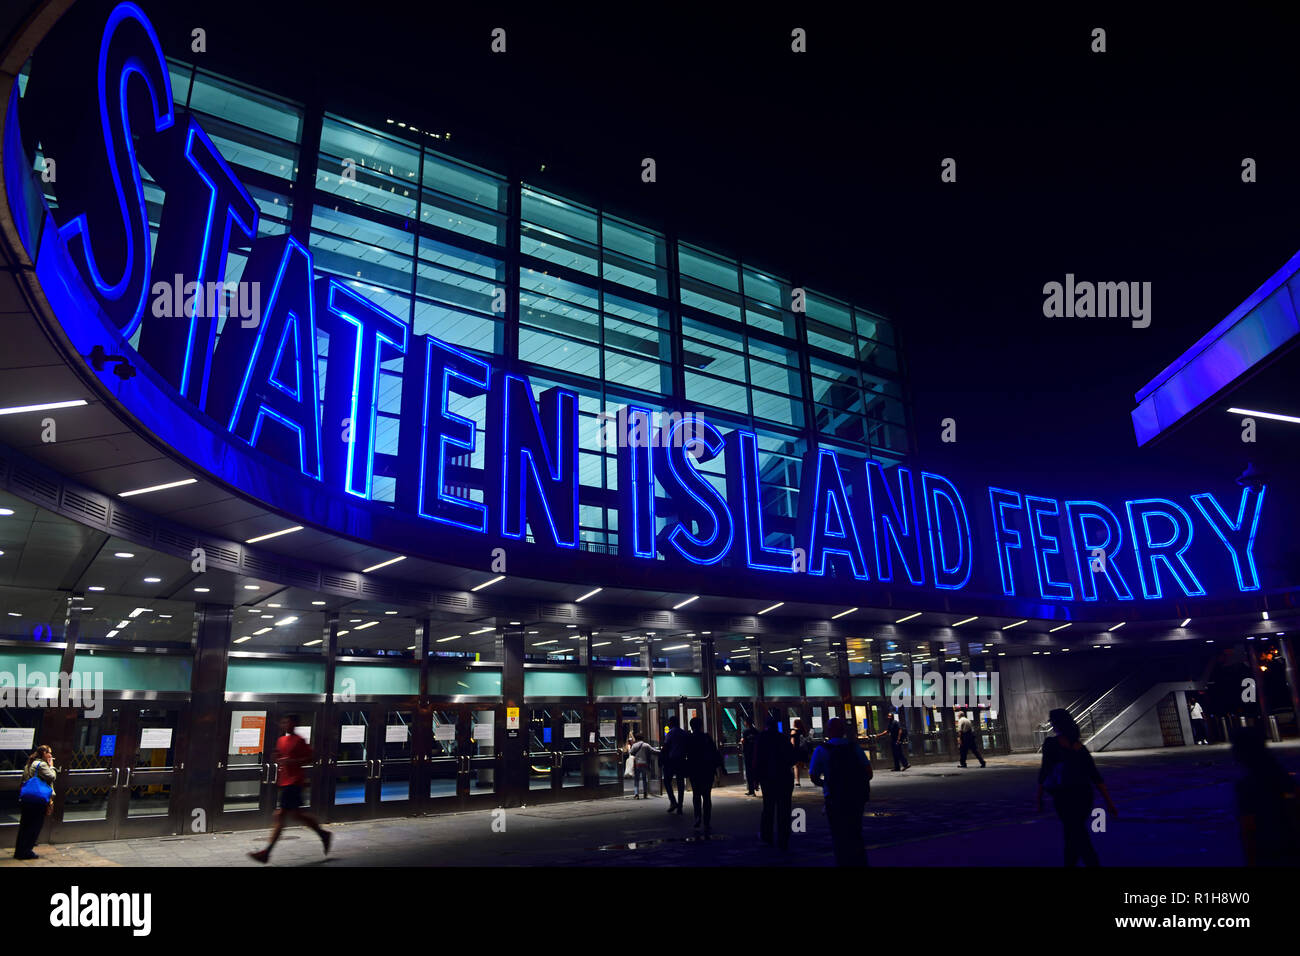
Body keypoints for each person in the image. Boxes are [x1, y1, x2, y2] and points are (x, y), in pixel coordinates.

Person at [1036, 708, 1116, 867]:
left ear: (1055, 724)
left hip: (1064, 796)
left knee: (1076, 834)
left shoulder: (1051, 744)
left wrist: (1039, 797)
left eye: (1051, 721)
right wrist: (1109, 802)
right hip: (1084, 796)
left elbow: (1045, 771)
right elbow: (1095, 776)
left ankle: (1092, 863)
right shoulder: (1079, 747)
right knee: (1072, 833)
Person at [249, 716, 332, 863]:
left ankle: (266, 853)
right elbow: (280, 757)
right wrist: (277, 758)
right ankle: (323, 834)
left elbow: (310, 758)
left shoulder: (299, 740)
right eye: (282, 722)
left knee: (280, 816)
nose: (283, 724)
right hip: (285, 781)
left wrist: (292, 761)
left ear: (294, 724)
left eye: (286, 721)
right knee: (297, 815)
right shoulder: (281, 740)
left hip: (294, 781)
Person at [1231, 724, 1300, 866]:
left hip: (1268, 849)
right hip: (1290, 844)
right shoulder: (1280, 773)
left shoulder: (1248, 785)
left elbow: (1249, 828)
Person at [810, 718, 872, 866]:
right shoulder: (854, 748)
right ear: (843, 731)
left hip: (834, 799)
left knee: (838, 836)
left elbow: (813, 775)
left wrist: (826, 784)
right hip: (855, 798)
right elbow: (869, 773)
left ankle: (843, 862)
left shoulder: (821, 750)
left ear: (829, 731)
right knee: (856, 833)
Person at [753, 716, 796, 848]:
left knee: (768, 807)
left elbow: (757, 759)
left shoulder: (761, 738)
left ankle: (767, 835)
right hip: (784, 777)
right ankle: (784, 837)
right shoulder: (782, 738)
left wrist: (756, 779)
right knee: (784, 808)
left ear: (766, 725)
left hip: (768, 778)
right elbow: (792, 757)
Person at [14, 744, 56, 859]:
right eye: (49, 753)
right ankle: (27, 851)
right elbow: (52, 777)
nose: (51, 755)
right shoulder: (41, 764)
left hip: (27, 798)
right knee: (34, 826)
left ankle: (19, 851)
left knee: (24, 826)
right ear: (43, 753)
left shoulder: (29, 763)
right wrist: (51, 766)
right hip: (37, 800)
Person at [684, 716, 723, 836]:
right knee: (707, 796)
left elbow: (685, 754)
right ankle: (707, 821)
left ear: (691, 726)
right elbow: (715, 752)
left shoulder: (689, 738)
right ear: (701, 726)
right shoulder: (706, 737)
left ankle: (697, 817)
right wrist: (721, 767)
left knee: (696, 794)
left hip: (695, 770)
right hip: (707, 770)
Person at [660, 716, 689, 814]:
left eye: (669, 722)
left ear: (672, 723)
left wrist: (662, 757)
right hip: (682, 760)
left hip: (671, 760)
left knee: (667, 781)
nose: (668, 724)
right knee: (680, 783)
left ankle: (673, 801)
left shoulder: (670, 733)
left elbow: (666, 746)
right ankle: (680, 805)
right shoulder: (684, 733)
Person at [628, 732, 657, 799]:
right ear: (642, 738)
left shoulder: (634, 745)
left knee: (636, 779)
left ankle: (636, 794)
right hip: (645, 764)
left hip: (637, 764)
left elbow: (630, 752)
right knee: (644, 779)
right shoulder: (646, 745)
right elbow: (653, 751)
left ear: (636, 738)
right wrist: (662, 751)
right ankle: (645, 793)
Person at [741, 718, 759, 795]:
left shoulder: (745, 732)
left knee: (749, 772)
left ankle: (751, 790)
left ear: (746, 723)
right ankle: (756, 784)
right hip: (756, 753)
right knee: (756, 770)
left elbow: (743, 741)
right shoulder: (756, 731)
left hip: (748, 753)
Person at [790, 718, 809, 787]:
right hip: (803, 750)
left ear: (794, 724)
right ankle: (811, 777)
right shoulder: (803, 731)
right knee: (802, 765)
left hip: (796, 750)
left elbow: (792, 741)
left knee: (796, 766)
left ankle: (797, 781)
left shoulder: (793, 731)